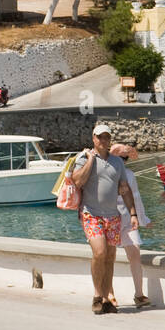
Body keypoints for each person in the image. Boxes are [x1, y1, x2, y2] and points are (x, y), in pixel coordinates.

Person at [69, 123, 138, 315]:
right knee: (99, 252)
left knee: (109, 257)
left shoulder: (117, 162)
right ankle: (97, 296)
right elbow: (77, 180)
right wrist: (91, 160)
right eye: (100, 137)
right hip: (90, 213)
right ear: (93, 138)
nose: (103, 140)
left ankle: (107, 299)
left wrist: (133, 214)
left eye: (107, 137)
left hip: (112, 216)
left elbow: (124, 189)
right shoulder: (83, 158)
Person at [106, 144, 152, 310]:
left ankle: (139, 294)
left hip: (127, 219)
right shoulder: (105, 174)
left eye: (124, 159)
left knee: (135, 254)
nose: (122, 162)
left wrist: (142, 219)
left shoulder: (130, 175)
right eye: (120, 158)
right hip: (109, 219)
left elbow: (136, 199)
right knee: (108, 257)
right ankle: (109, 294)